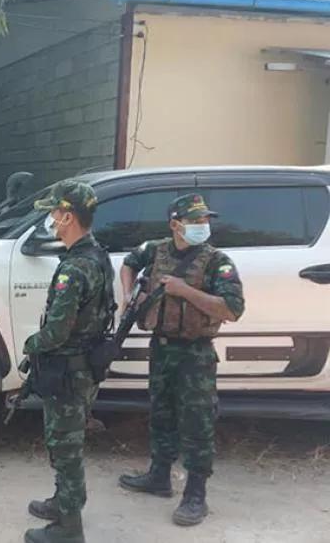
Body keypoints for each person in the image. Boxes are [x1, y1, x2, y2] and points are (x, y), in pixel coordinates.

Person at [118, 194, 245, 527]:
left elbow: (233, 309)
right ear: (175, 224)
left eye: (205, 220)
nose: (203, 225)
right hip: (161, 348)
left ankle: (195, 494)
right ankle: (159, 477)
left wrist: (185, 290)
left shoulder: (217, 261)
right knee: (161, 414)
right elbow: (128, 263)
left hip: (195, 354)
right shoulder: (154, 250)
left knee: (197, 423)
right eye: (195, 220)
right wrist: (128, 295)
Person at [23, 180, 114, 543]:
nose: (50, 220)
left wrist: (30, 345)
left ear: (68, 216)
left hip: (68, 372)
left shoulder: (74, 268)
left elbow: (57, 332)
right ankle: (62, 502)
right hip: (83, 367)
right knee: (66, 442)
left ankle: (69, 528)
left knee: (65, 447)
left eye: (53, 213)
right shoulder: (98, 256)